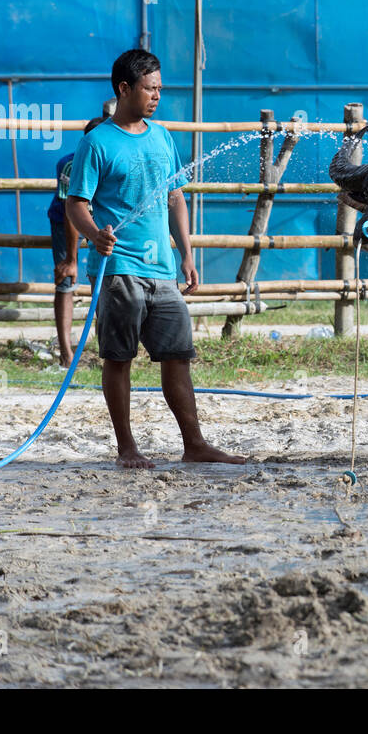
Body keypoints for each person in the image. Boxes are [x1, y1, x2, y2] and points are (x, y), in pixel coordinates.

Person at [64, 49, 245, 469]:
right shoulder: (96, 143)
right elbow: (76, 204)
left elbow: (175, 196)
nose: (157, 95)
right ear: (125, 89)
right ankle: (127, 449)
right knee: (119, 357)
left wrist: (186, 252)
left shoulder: (162, 136)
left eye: (160, 88)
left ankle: (194, 444)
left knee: (178, 354)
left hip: (162, 270)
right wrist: (94, 235)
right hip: (119, 271)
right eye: (150, 88)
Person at [48, 105, 111, 368]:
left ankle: (108, 353)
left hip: (102, 217)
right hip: (67, 220)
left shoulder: (114, 157)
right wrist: (72, 259)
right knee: (66, 279)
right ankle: (66, 354)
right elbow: (72, 211)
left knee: (108, 282)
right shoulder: (71, 165)